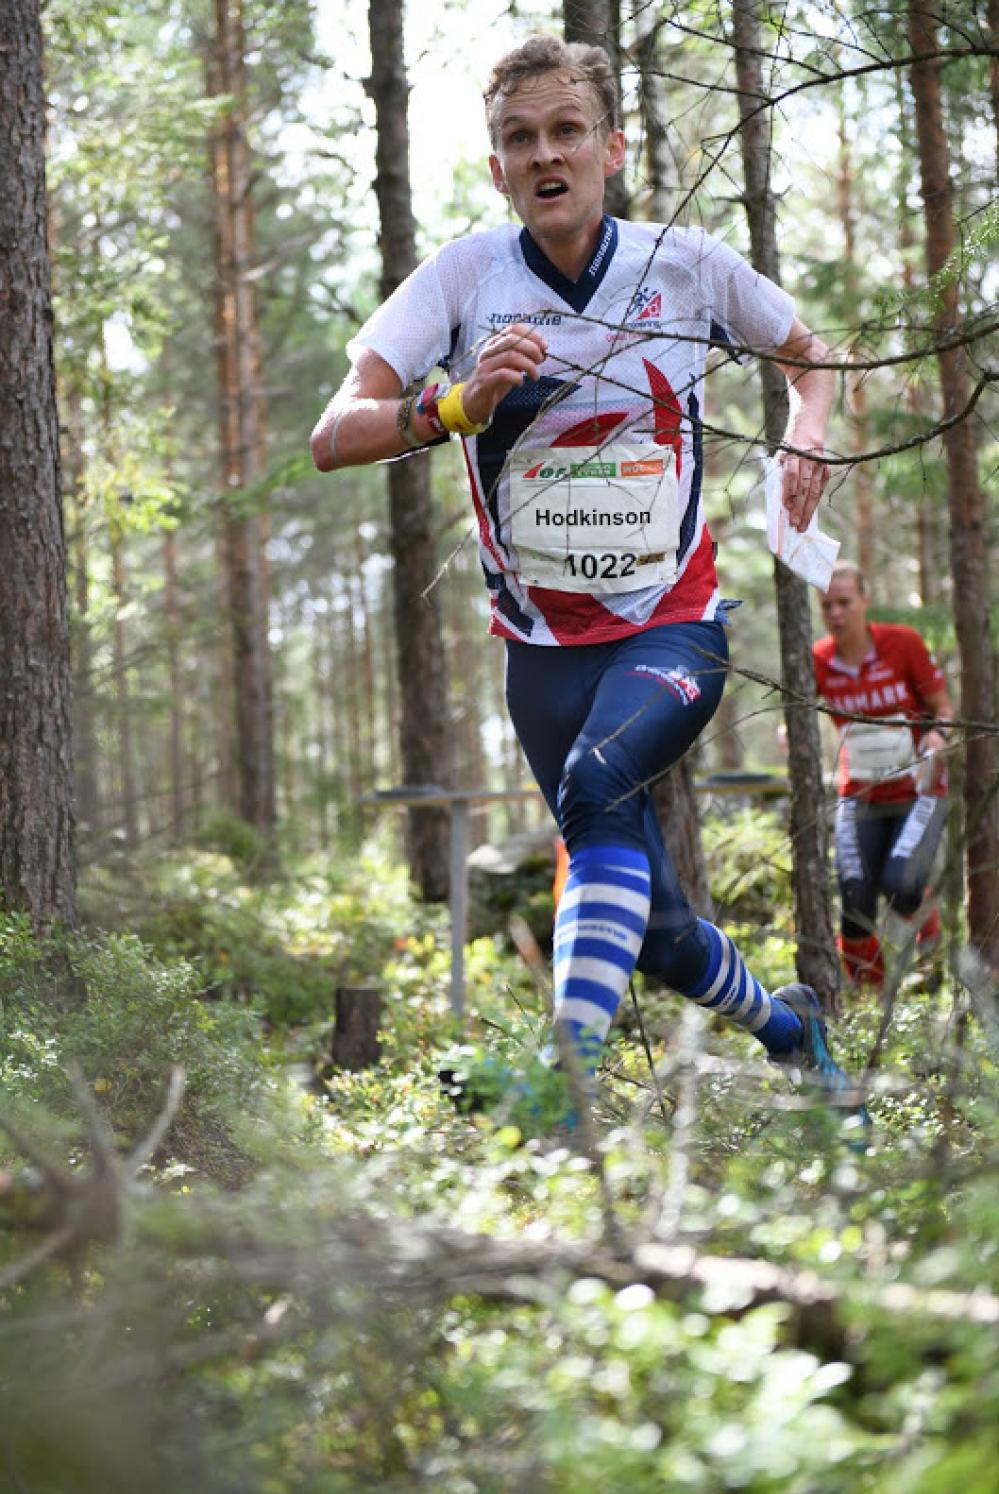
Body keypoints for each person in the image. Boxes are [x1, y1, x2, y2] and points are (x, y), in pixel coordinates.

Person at [311, 34, 862, 1117]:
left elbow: (812, 355)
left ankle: (565, 1082)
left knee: (597, 789)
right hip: (541, 657)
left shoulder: (686, 264)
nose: (546, 154)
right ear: (497, 168)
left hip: (674, 626)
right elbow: (334, 435)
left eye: (568, 132)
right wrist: (453, 403)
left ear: (612, 148)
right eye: (521, 140)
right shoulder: (465, 279)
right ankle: (798, 1035)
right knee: (650, 925)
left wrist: (808, 432)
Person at [814, 561, 953, 989]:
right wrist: (788, 734)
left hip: (918, 791)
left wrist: (937, 738)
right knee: (854, 899)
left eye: (844, 602)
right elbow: (799, 710)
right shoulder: (819, 659)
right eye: (827, 605)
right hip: (859, 793)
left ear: (864, 601)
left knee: (901, 886)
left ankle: (931, 971)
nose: (836, 613)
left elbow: (943, 707)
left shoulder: (903, 644)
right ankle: (871, 1005)